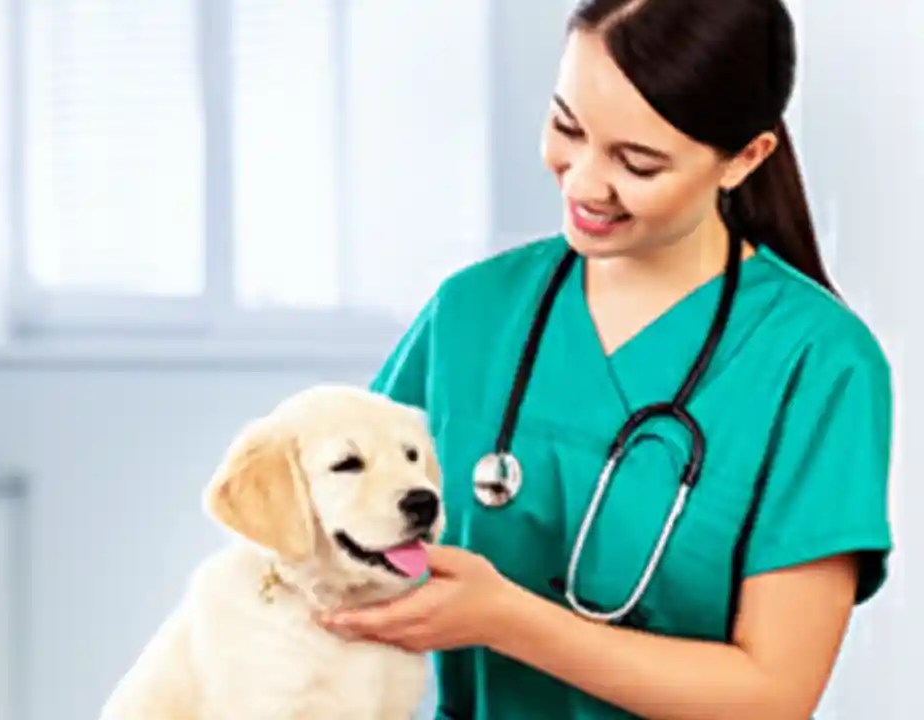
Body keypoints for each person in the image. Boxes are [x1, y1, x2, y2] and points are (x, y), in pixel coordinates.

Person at [318, 0, 895, 718]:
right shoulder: (472, 312)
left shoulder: (818, 362)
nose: (584, 183)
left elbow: (772, 695)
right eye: (567, 127)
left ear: (745, 158)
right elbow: (327, 538)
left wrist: (508, 620)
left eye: (638, 162)